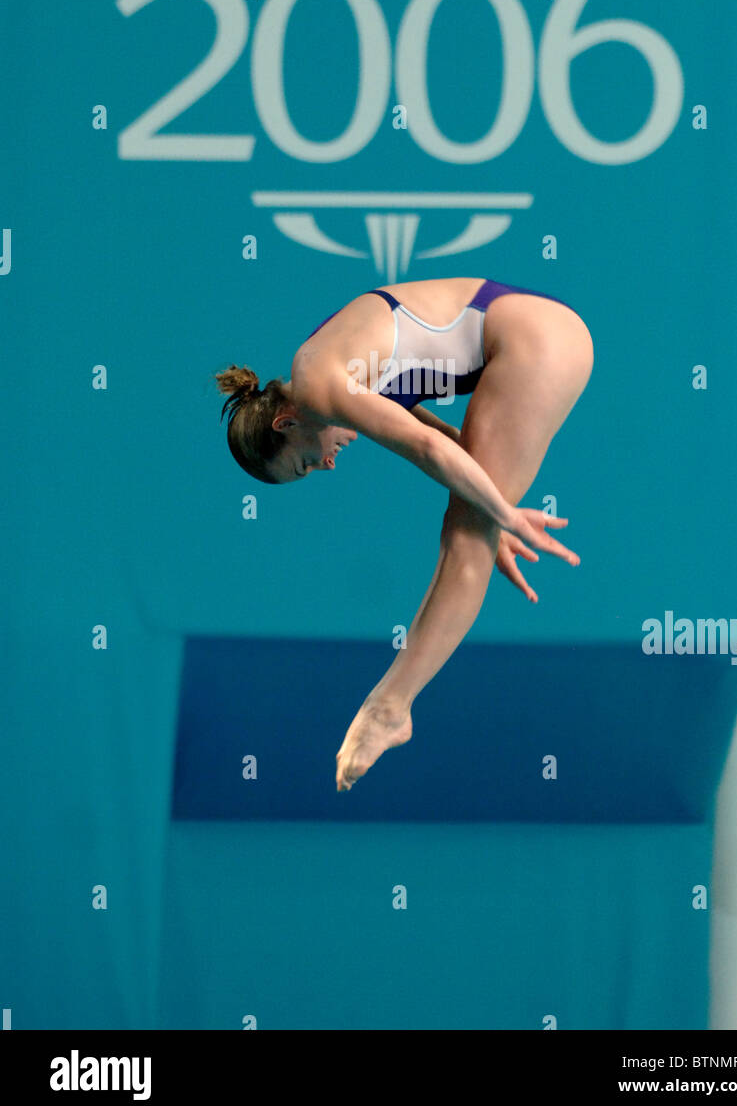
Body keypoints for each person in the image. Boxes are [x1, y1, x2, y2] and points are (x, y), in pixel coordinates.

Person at [215, 277, 594, 791]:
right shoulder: (327, 365)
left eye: (306, 463)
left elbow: (427, 451)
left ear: (284, 424)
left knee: (464, 539)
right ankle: (392, 705)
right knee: (469, 527)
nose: (327, 464)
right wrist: (491, 498)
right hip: (537, 328)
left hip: (531, 340)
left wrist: (498, 512)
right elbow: (445, 441)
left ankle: (388, 708)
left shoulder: (319, 383)